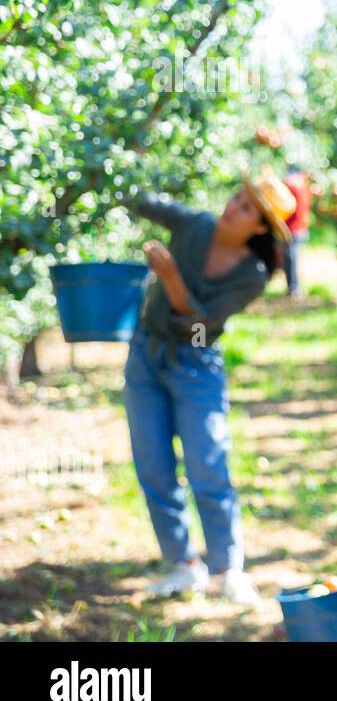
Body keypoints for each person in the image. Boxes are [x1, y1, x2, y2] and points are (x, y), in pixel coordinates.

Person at [122, 171, 297, 604]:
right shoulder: (195, 225)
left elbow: (201, 324)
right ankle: (182, 566)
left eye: (245, 208)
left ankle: (227, 569)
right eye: (236, 198)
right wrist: (117, 169)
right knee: (153, 465)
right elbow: (144, 199)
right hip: (147, 353)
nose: (231, 208)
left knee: (208, 467)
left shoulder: (253, 275)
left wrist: (170, 276)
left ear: (260, 227)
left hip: (195, 363)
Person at [282, 166, 311, 299]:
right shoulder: (304, 182)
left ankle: (293, 288)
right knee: (294, 258)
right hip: (302, 226)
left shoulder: (290, 183)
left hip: (291, 227)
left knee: (291, 259)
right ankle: (294, 287)